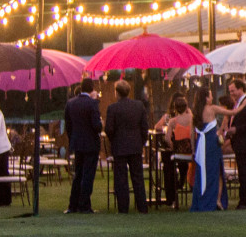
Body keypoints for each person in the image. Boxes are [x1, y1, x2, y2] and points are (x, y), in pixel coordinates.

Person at [104, 78, 151, 213]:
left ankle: (123, 207)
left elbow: (109, 129)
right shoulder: (139, 106)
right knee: (138, 177)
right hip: (135, 145)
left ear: (116, 93)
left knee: (121, 178)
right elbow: (144, 127)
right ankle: (142, 206)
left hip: (119, 146)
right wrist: (141, 141)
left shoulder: (112, 108)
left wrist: (113, 140)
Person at [62, 78, 103, 213]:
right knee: (88, 174)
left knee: (78, 173)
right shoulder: (92, 104)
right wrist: (100, 123)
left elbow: (68, 125)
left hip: (77, 142)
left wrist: (73, 137)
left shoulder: (70, 103)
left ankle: (72, 205)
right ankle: (84, 205)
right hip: (91, 143)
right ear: (91, 89)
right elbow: (97, 126)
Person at [189, 89, 232, 211]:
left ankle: (212, 199)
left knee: (208, 171)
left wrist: (193, 149)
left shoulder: (196, 112)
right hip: (212, 145)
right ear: (206, 98)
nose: (212, 97)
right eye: (211, 95)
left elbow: (192, 134)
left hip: (204, 145)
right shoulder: (212, 109)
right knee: (215, 172)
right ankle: (215, 199)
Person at [156, 92, 195, 208]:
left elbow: (167, 139)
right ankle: (179, 185)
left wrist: (173, 146)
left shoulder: (173, 121)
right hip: (189, 151)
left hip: (176, 150)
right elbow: (193, 135)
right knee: (173, 164)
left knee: (170, 162)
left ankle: (173, 195)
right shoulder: (191, 118)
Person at [225, 79, 246, 208]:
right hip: (240, 143)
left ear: (241, 89)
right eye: (230, 91)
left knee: (243, 173)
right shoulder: (238, 104)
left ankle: (245, 201)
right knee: (245, 172)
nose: (231, 93)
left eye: (233, 90)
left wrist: (236, 129)